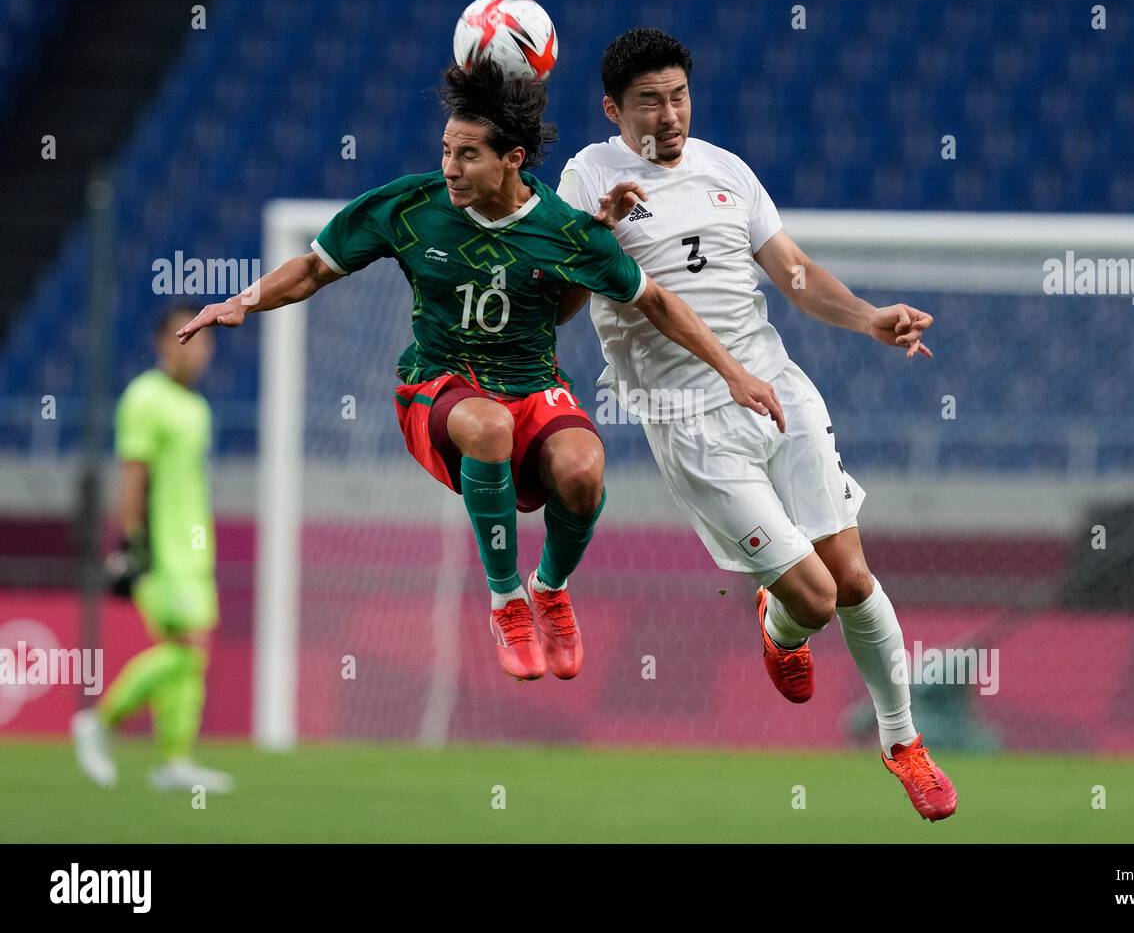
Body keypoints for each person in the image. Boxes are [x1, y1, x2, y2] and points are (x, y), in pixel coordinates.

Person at [176, 59, 783, 683]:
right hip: (436, 387)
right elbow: (312, 267)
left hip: (532, 383)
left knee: (582, 467)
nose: (449, 168)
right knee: (488, 425)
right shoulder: (408, 207)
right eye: (445, 150)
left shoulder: (566, 231)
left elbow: (654, 301)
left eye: (467, 155)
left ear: (512, 159)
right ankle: (506, 600)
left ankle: (549, 587)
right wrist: (243, 300)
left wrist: (734, 372)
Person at [556, 28, 956, 820]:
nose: (668, 116)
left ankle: (903, 742)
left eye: (678, 97)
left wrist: (870, 317)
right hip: (690, 417)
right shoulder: (586, 177)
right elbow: (563, 300)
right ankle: (780, 630)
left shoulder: (726, 170)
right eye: (648, 103)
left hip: (777, 388)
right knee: (809, 595)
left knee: (851, 579)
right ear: (612, 109)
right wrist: (598, 228)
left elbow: (795, 276)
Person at [73, 303, 234, 793]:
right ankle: (99, 721)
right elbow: (133, 475)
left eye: (206, 341)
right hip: (161, 549)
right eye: (190, 339)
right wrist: (130, 544)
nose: (199, 350)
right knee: (186, 650)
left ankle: (174, 762)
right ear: (164, 343)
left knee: (191, 652)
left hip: (193, 548)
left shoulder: (197, 407)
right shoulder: (145, 398)